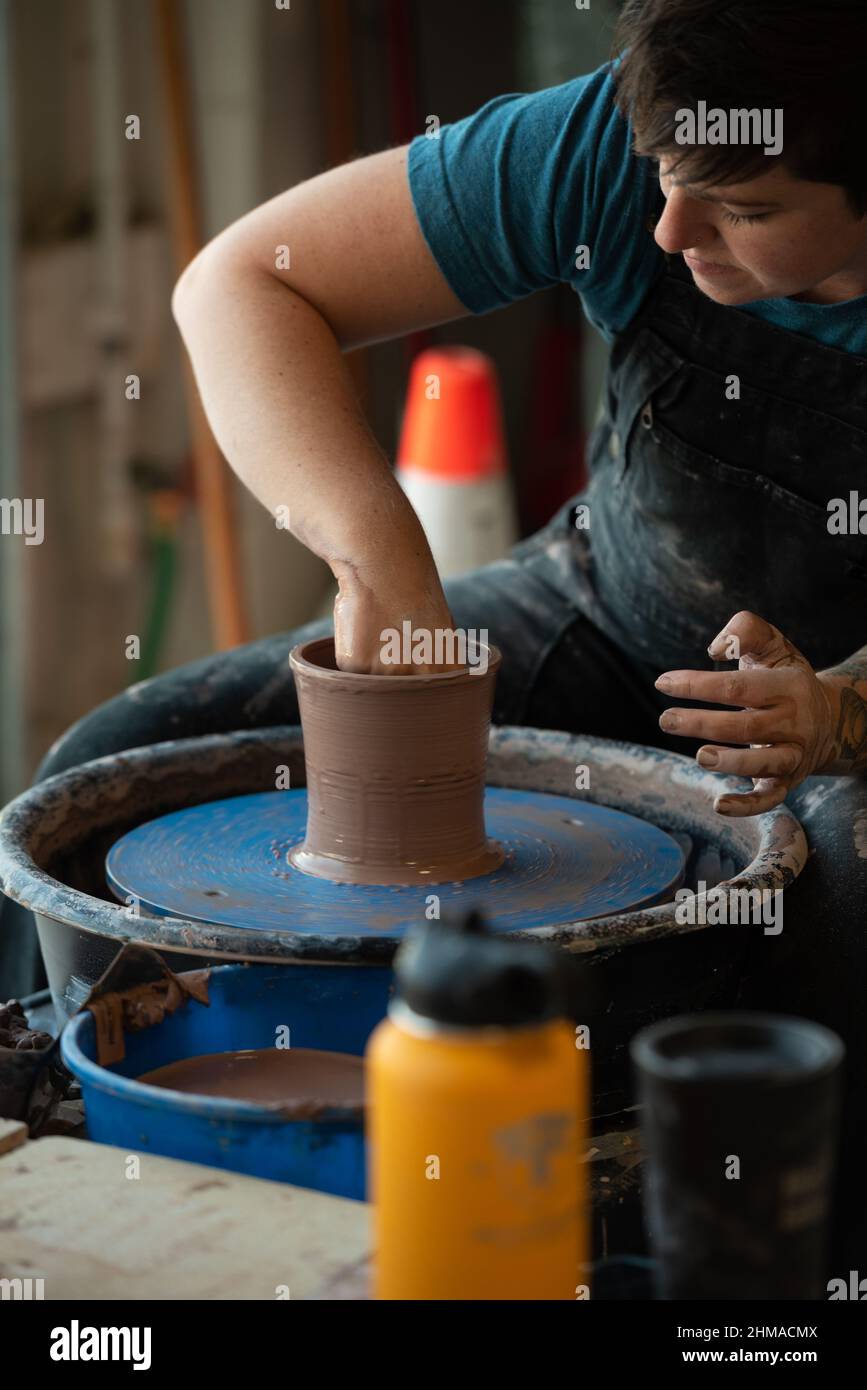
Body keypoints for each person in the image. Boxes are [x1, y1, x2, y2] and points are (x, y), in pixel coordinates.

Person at [34, 0, 867, 1266]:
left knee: (830, 916)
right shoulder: (635, 140)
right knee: (117, 757)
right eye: (660, 181)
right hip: (605, 605)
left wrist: (843, 716)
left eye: (743, 211)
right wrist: (381, 559)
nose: (667, 230)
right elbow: (241, 284)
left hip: (831, 725)